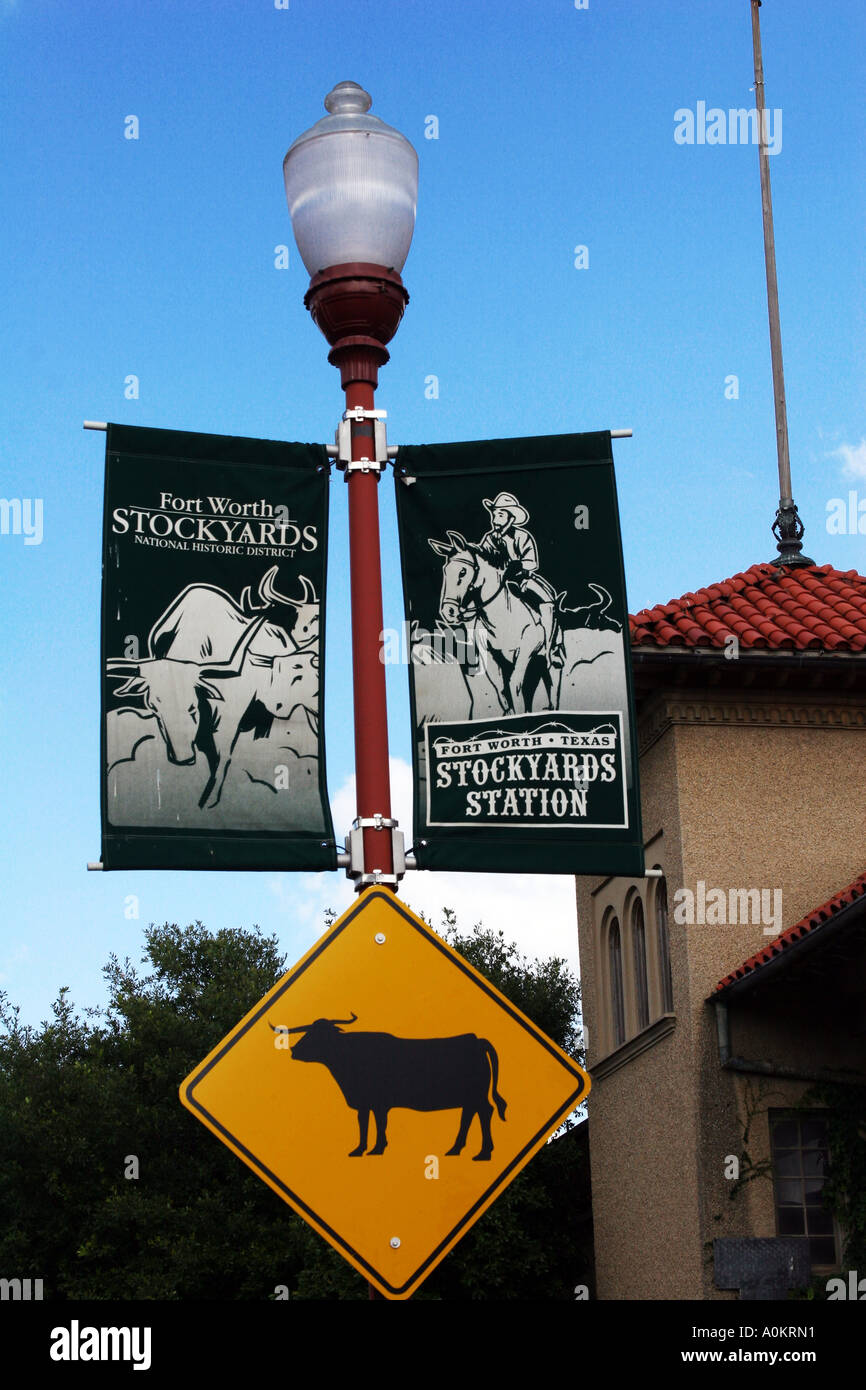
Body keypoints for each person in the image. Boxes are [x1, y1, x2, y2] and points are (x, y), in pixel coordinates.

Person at [477, 492, 563, 667]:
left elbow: (532, 562)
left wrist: (518, 566)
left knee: (548, 603)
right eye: (494, 514)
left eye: (500, 514)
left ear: (510, 517)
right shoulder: (489, 538)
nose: (495, 518)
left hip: (522, 580)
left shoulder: (522, 536)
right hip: (496, 583)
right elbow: (482, 559)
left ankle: (552, 648)